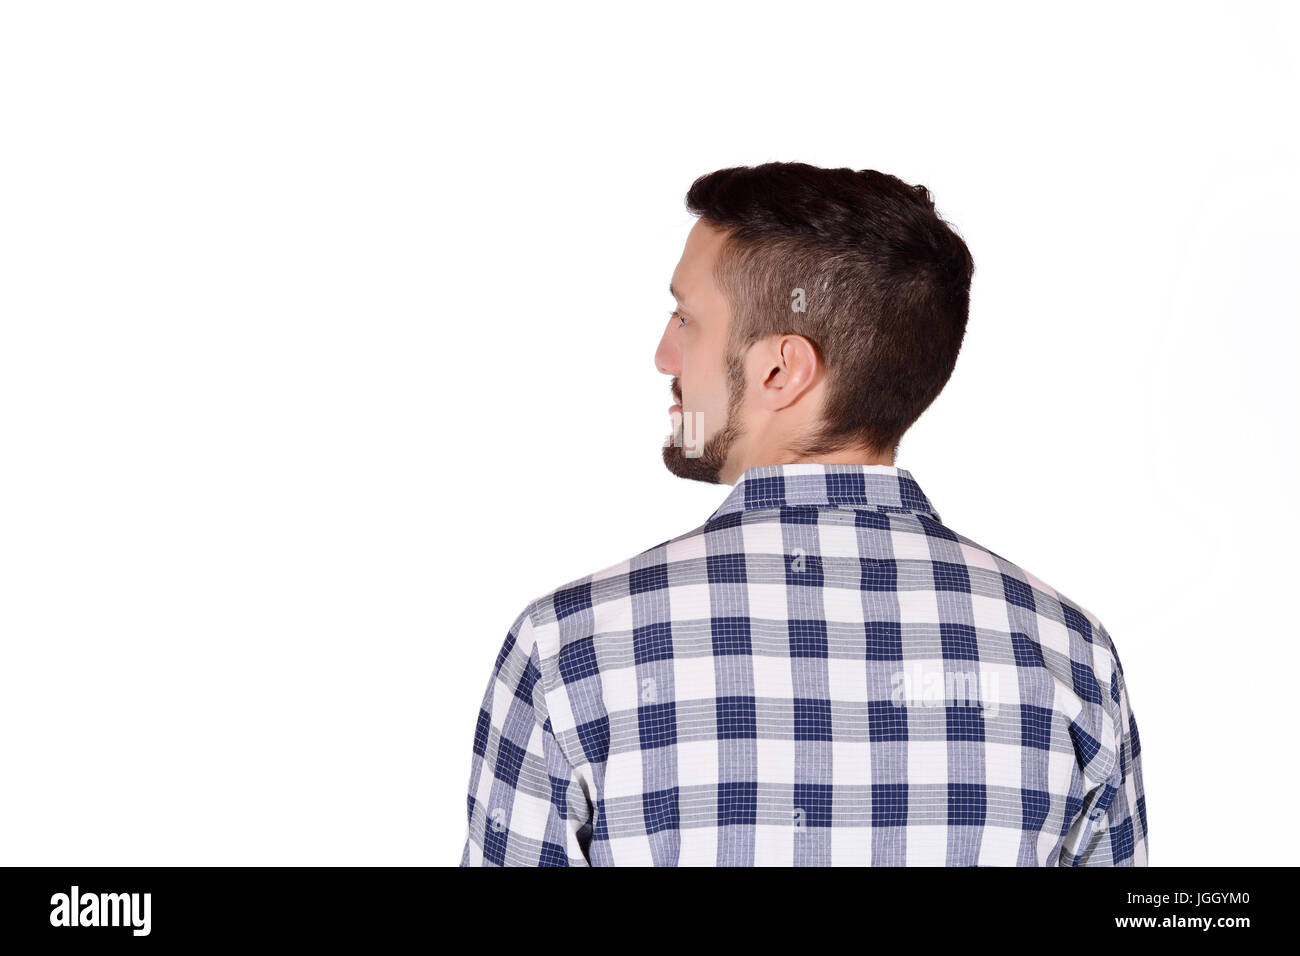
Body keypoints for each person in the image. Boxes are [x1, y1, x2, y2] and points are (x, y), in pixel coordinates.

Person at [459, 162, 1147, 866]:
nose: (664, 353)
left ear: (781, 371)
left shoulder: (571, 650)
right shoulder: (1068, 654)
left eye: (686, 318)